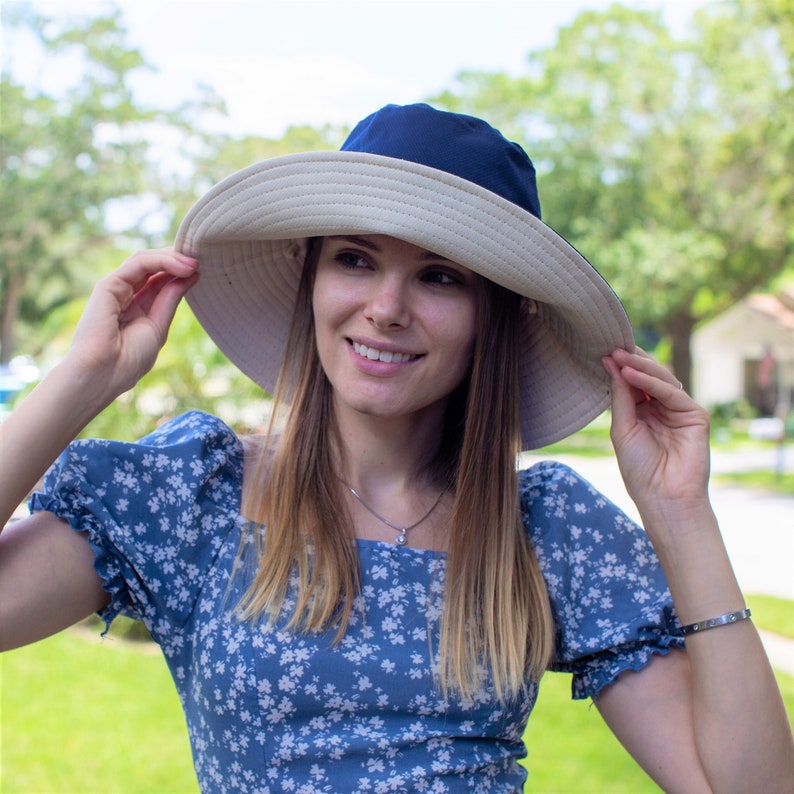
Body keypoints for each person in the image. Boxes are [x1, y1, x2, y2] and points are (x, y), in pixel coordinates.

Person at [1, 103, 792, 793]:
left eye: (439, 277)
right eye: (356, 259)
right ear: (312, 281)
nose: (386, 308)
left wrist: (681, 513)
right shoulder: (197, 495)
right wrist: (82, 380)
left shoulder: (543, 529)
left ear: (492, 319)